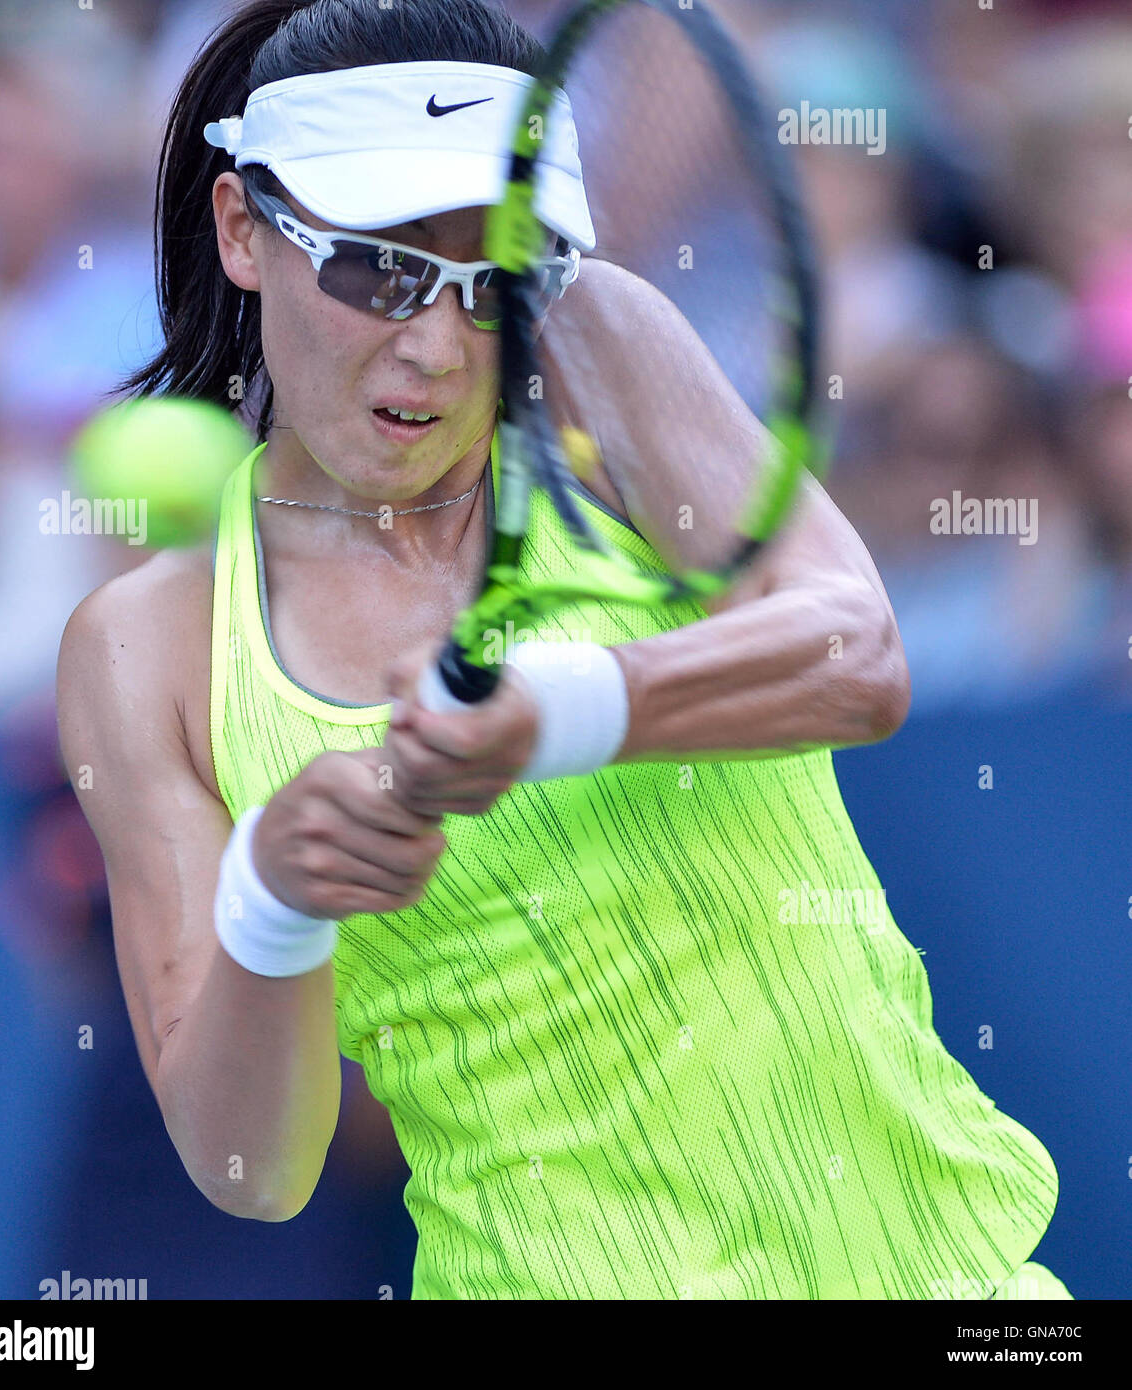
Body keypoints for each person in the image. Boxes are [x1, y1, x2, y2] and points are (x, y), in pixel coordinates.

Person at [57, 0, 1070, 1300]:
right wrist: (275, 901)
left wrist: (563, 708)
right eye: (378, 269)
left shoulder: (600, 342)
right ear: (243, 229)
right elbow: (251, 1164)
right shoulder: (144, 649)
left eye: (495, 280)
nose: (434, 343)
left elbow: (855, 654)